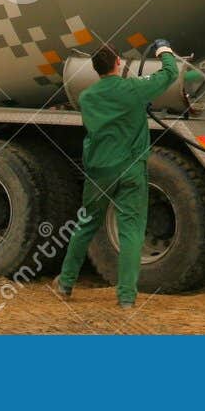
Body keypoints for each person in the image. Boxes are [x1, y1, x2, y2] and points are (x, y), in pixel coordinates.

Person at [56, 40, 178, 309]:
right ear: (118, 64)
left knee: (86, 224)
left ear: (95, 70)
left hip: (99, 171)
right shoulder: (133, 89)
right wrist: (164, 50)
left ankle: (65, 283)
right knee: (131, 232)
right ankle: (125, 298)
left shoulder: (86, 97)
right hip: (131, 170)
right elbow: (170, 74)